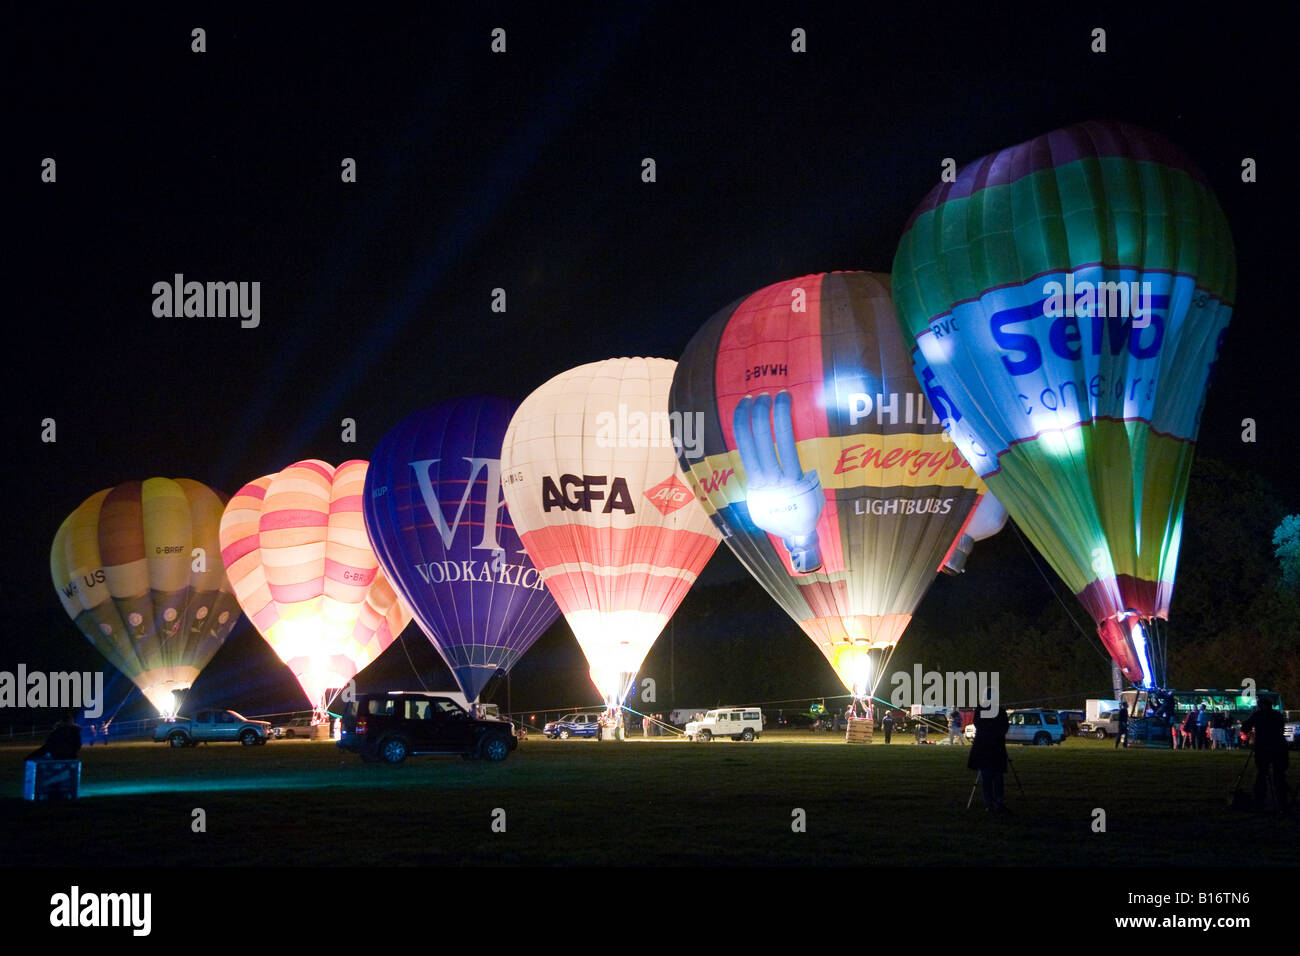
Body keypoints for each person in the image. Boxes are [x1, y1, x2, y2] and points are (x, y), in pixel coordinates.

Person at [1242, 698, 1289, 810]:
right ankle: (1282, 801)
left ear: (1261, 706)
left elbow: (1245, 727)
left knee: (1261, 774)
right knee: (1279, 775)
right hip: (1279, 746)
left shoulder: (1258, 715)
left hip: (1263, 747)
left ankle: (1260, 800)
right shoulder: (1278, 715)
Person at [968, 707, 1010, 811]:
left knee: (987, 775)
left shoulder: (981, 710)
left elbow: (978, 724)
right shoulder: (999, 710)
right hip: (996, 746)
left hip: (984, 746)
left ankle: (990, 802)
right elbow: (1005, 726)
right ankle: (997, 801)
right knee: (996, 776)